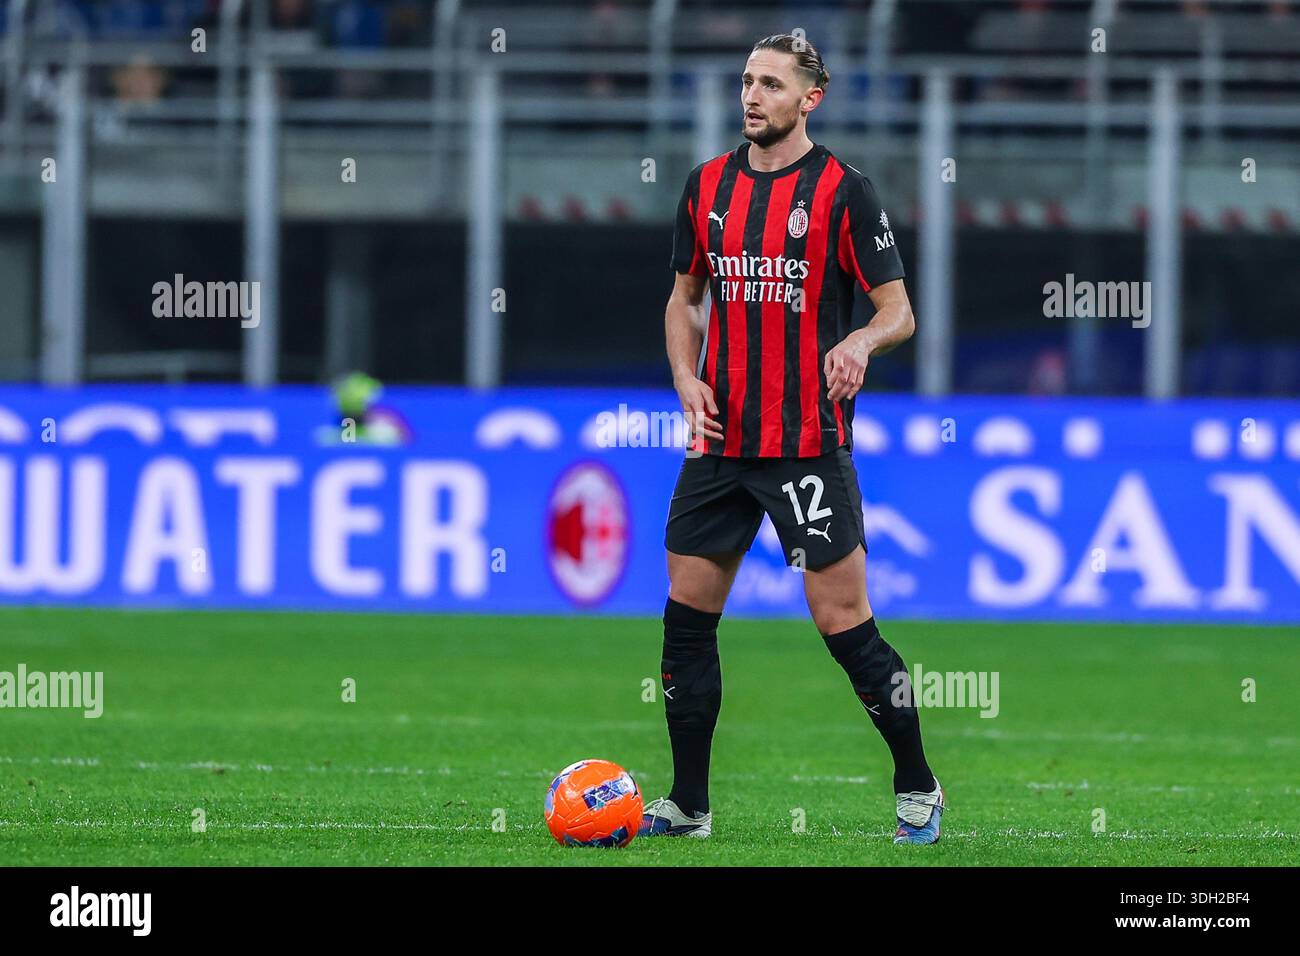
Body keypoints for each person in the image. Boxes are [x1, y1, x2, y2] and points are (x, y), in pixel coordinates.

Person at [642, 34, 943, 844]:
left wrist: (859, 344)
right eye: (746, 81)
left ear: (812, 98)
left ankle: (917, 783)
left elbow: (898, 310)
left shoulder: (846, 192)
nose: (752, 96)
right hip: (719, 439)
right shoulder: (706, 185)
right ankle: (689, 804)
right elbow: (684, 298)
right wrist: (684, 375)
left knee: (844, 627)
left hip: (806, 442)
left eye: (771, 84)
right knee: (685, 621)